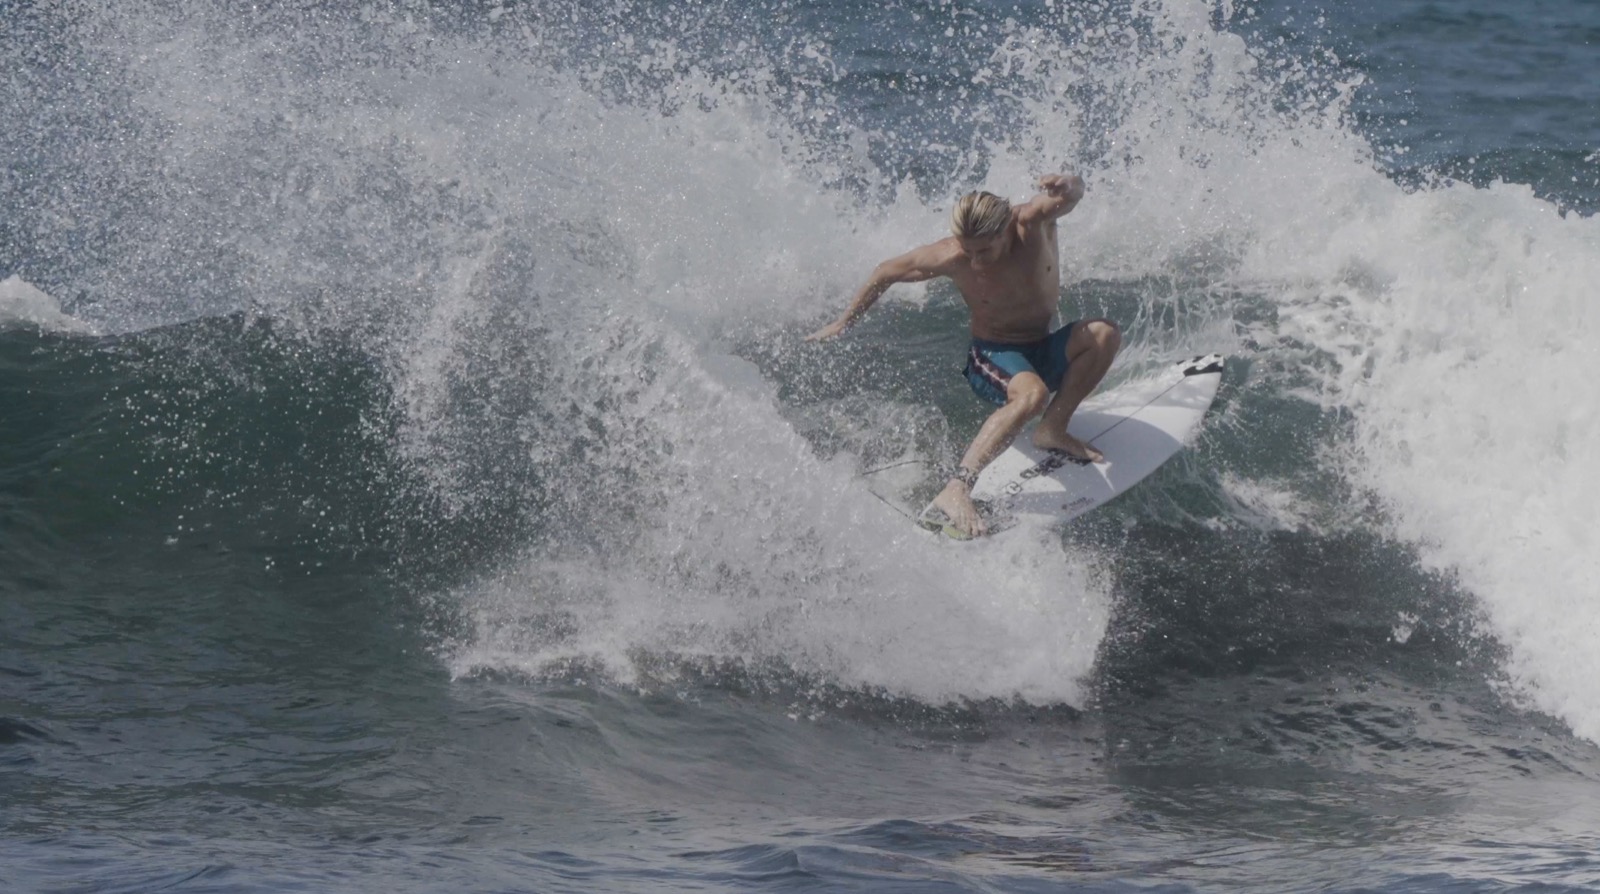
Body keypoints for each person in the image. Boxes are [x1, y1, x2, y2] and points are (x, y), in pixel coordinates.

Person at [806, 174, 1121, 537]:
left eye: (984, 250)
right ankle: (957, 487)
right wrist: (843, 322)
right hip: (994, 355)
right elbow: (886, 271)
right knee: (1033, 395)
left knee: (1104, 334)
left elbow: (1072, 196)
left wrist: (1071, 184)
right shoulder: (952, 255)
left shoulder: (1033, 223)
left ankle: (1052, 429)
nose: (973, 261)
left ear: (1007, 228)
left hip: (1041, 345)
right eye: (967, 250)